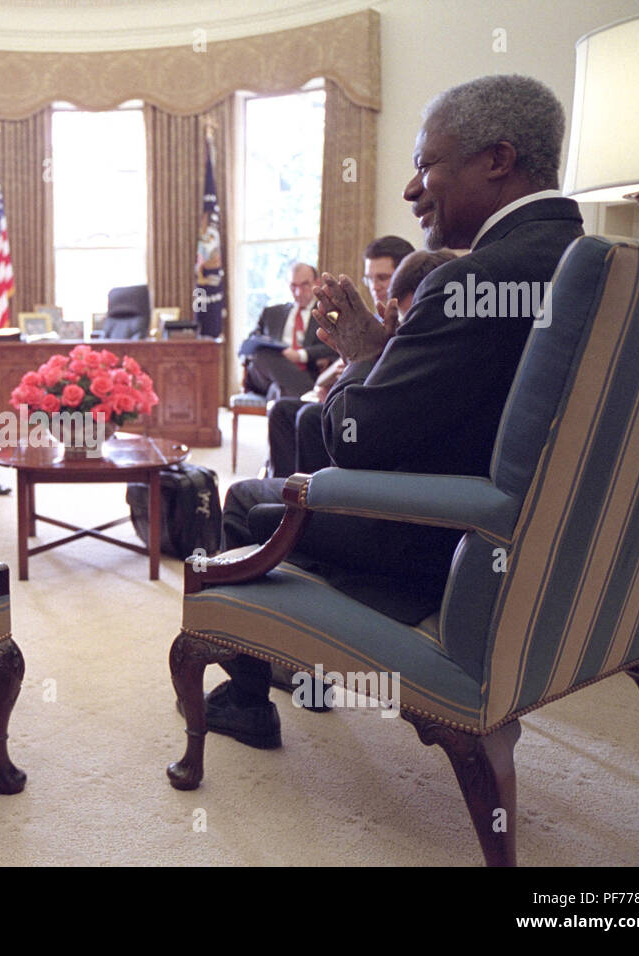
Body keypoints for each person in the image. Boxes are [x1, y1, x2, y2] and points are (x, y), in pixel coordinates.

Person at [213, 74, 584, 749]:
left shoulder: (475, 279)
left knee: (245, 503)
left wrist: (359, 356)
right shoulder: (596, 264)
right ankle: (309, 660)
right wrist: (391, 349)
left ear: (497, 160)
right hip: (557, 553)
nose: (412, 190)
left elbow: (358, 440)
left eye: (425, 165)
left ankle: (249, 699)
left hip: (447, 543)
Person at [266, 247, 454, 480]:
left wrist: (359, 365)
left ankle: (304, 501)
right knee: (281, 409)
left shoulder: (430, 339)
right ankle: (282, 487)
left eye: (382, 277)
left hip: (379, 449)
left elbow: (348, 438)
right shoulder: (376, 322)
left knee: (308, 419)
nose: (374, 285)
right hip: (348, 399)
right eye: (370, 278)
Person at [238, 262, 336, 398]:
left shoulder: (328, 314)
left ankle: (285, 394)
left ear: (317, 283)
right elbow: (250, 343)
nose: (298, 292)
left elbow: (335, 346)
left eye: (305, 285)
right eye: (293, 286)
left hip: (304, 372)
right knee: (262, 356)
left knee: (279, 390)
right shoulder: (270, 313)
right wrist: (278, 350)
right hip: (265, 374)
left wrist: (300, 355)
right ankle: (307, 391)